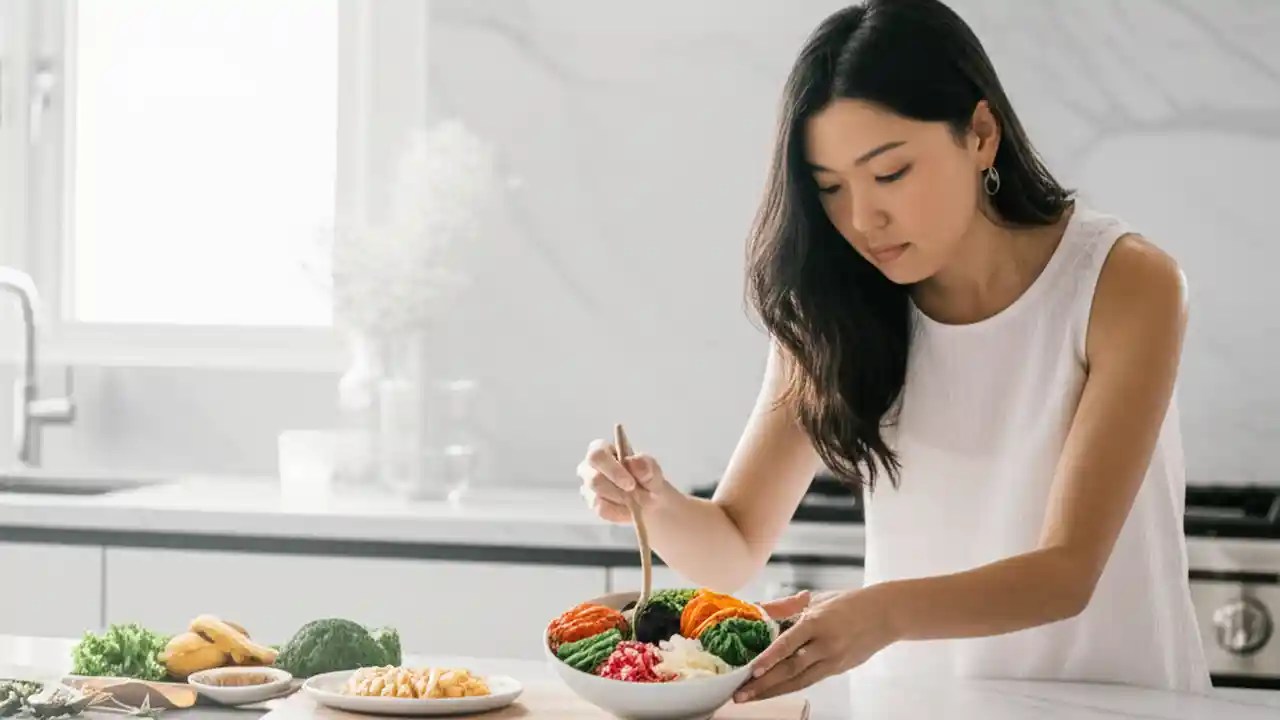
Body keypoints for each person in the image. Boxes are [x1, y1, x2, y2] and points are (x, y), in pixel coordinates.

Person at [576, 0, 1211, 702]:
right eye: (831, 189)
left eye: (891, 173)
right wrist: (654, 501)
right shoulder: (836, 310)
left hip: (1115, 704)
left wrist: (879, 610)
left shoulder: (1123, 283)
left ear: (979, 134)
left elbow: (1066, 572)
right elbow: (732, 546)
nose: (861, 218)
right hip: (916, 702)